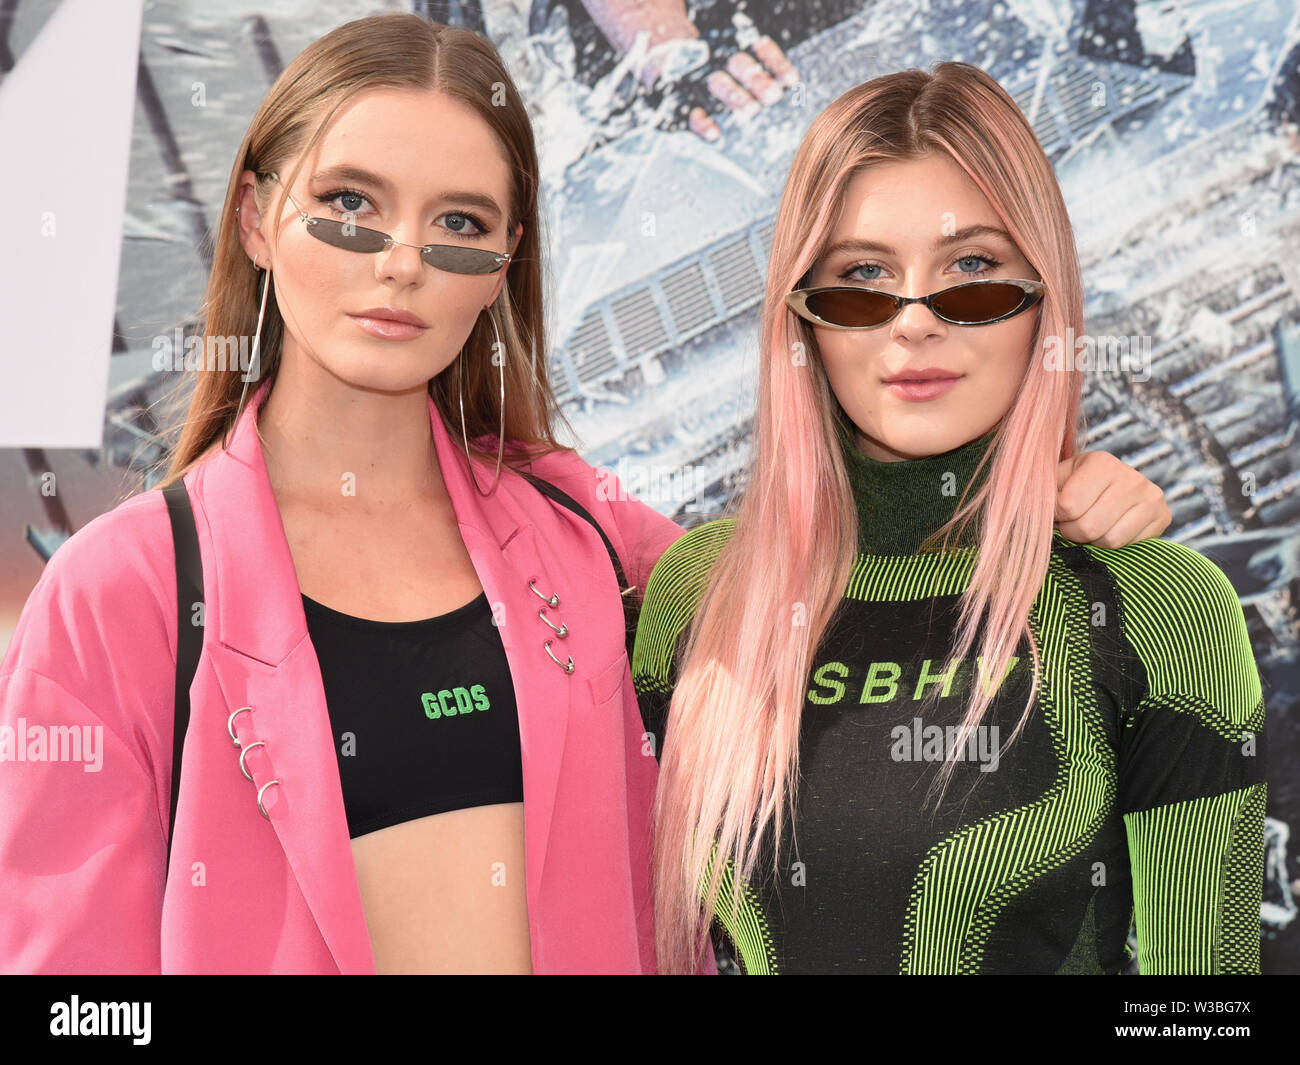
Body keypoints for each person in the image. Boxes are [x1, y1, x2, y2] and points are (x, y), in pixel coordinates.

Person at [0, 16, 1169, 975]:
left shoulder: (585, 532)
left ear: (502, 262)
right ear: (257, 218)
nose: (400, 259)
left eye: (457, 223)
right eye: (349, 205)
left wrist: (1064, 493)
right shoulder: (126, 593)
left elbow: (848, 593)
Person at [632, 61, 1266, 975]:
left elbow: (1205, 1005)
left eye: (972, 269)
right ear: (803, 318)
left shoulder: (1152, 606)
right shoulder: (699, 597)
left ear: (1043, 298)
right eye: (862, 276)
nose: (914, 322)